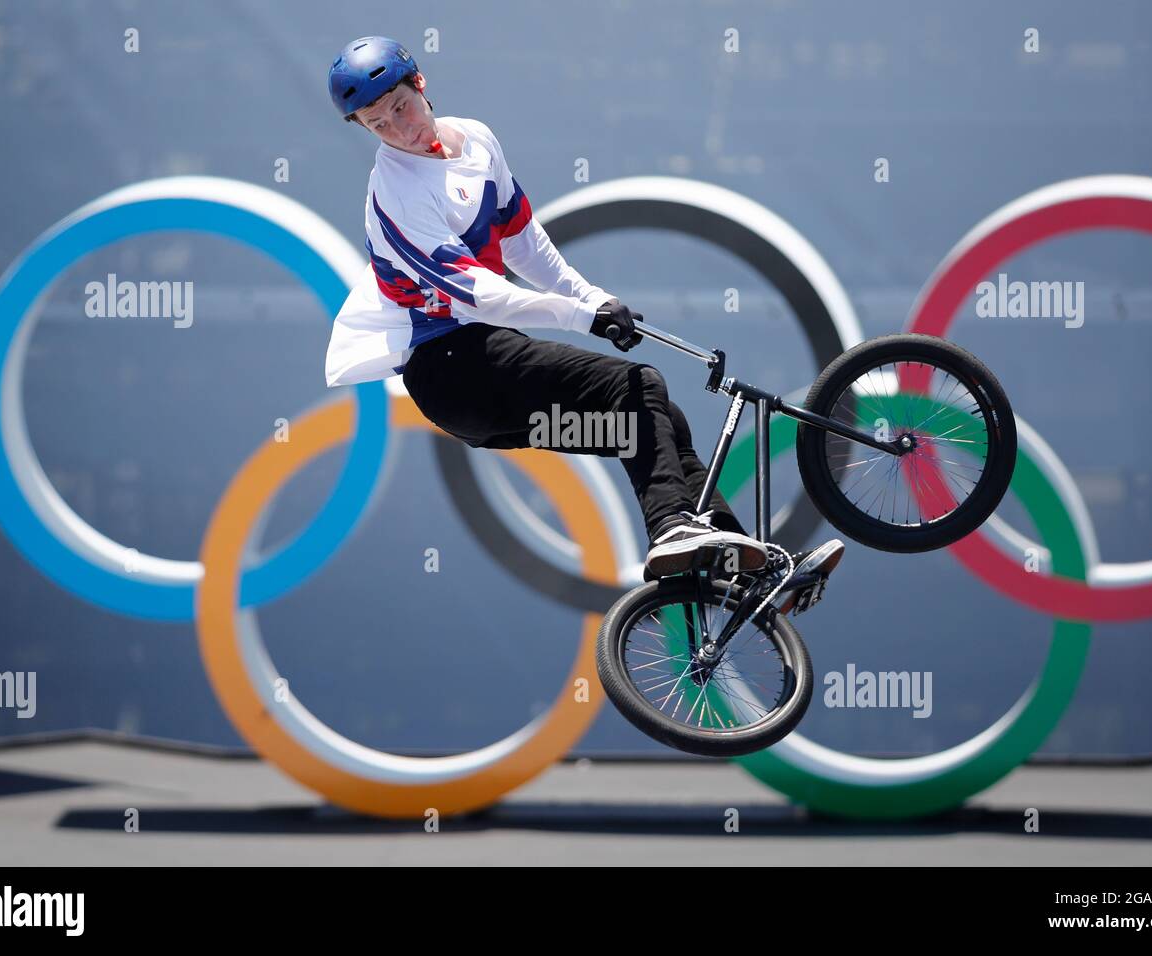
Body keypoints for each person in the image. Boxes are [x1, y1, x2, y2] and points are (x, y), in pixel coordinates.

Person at [322, 36, 843, 591]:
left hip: (482, 376)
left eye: (400, 107)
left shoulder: (475, 140)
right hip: (452, 370)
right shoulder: (395, 195)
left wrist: (591, 296)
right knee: (635, 382)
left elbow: (523, 241)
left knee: (655, 418)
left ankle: (750, 578)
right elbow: (480, 296)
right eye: (378, 124)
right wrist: (578, 316)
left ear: (420, 84)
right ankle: (671, 529)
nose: (400, 129)